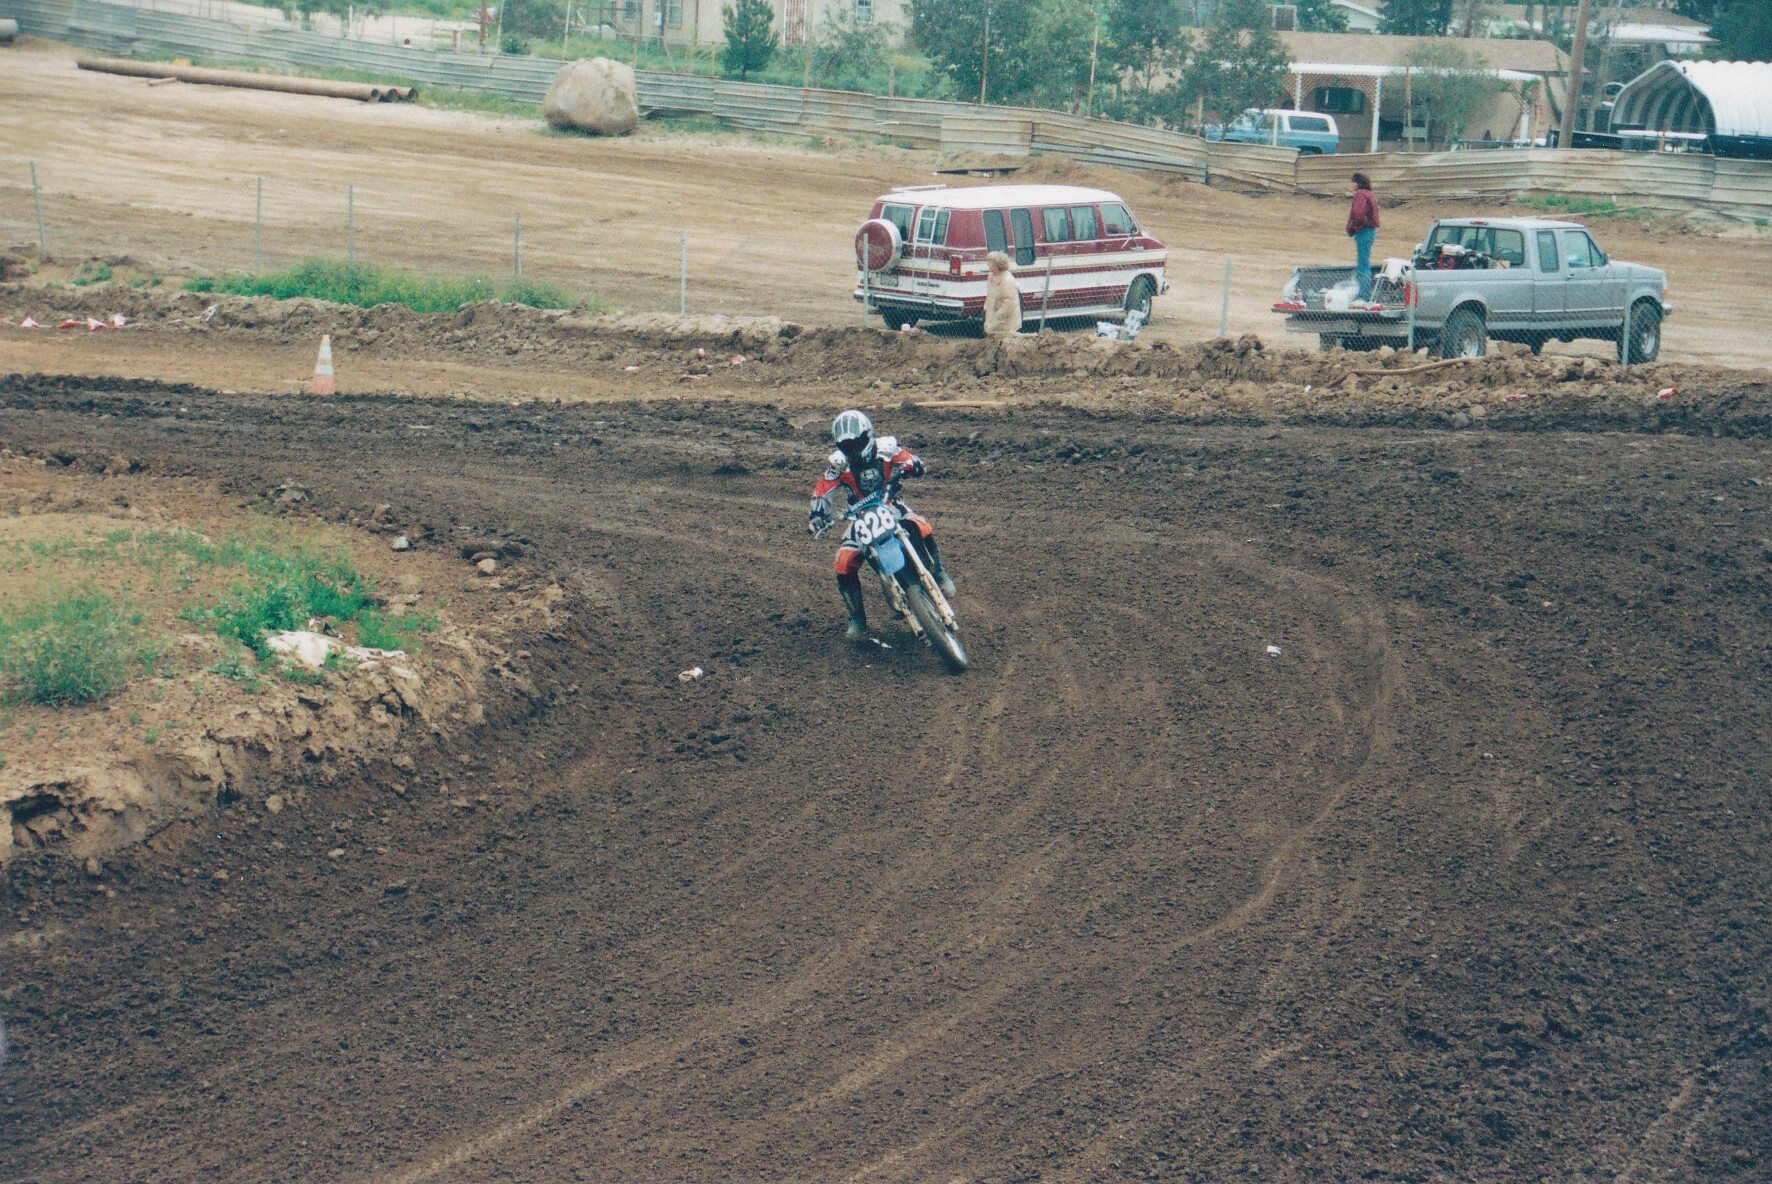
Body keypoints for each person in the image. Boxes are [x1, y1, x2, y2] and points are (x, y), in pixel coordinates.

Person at [808, 410, 955, 643]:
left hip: (889, 504)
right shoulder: (838, 466)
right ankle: (857, 619)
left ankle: (939, 572)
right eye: (848, 446)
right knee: (843, 562)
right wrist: (817, 515)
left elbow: (908, 458)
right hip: (859, 518)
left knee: (919, 524)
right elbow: (822, 492)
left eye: (858, 442)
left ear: (868, 435)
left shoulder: (885, 449)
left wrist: (912, 465)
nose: (854, 449)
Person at [1347, 171, 1380, 302]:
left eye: (1353, 182)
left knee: (1363, 265)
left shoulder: (1360, 195)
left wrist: (1355, 227)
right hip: (1370, 231)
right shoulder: (1369, 194)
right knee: (1365, 262)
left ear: (1357, 183)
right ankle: (1364, 294)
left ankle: (1363, 296)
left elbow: (1358, 214)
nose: (1351, 184)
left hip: (1364, 231)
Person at [982, 251, 1022, 338]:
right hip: (993, 323)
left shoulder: (1007, 280)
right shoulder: (991, 277)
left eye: (990, 262)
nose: (987, 264)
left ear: (997, 264)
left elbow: (1010, 303)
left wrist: (996, 319)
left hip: (1006, 325)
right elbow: (990, 296)